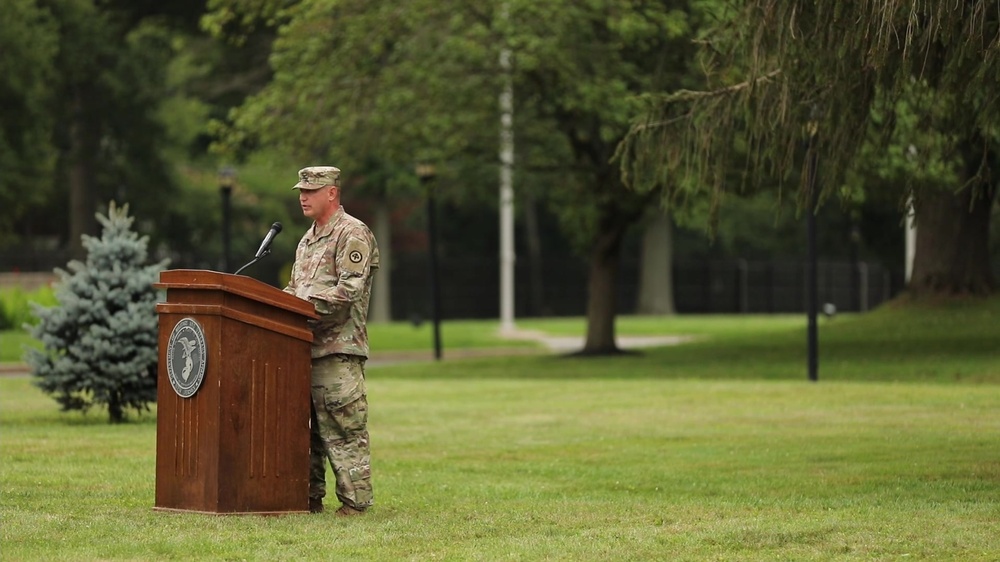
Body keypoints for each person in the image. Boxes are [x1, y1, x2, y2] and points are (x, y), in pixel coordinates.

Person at [284, 166, 380, 516]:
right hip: (302, 348)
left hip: (338, 349)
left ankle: (355, 503)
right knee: (304, 431)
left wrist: (301, 307)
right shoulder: (307, 240)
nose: (303, 197)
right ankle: (306, 499)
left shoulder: (352, 233)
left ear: (332, 193)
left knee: (344, 428)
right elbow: (294, 288)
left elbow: (349, 290)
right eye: (301, 191)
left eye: (310, 190)